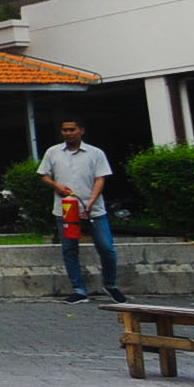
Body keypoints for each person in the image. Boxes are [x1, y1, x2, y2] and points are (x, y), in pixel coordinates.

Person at [40, 118, 125, 304]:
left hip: (94, 209)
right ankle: (79, 290)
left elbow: (100, 179)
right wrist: (56, 186)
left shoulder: (95, 153)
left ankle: (110, 284)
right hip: (66, 209)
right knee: (70, 249)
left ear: (81, 130)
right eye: (65, 130)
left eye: (72, 129)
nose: (68, 133)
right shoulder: (53, 152)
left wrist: (91, 201)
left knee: (106, 247)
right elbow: (44, 175)